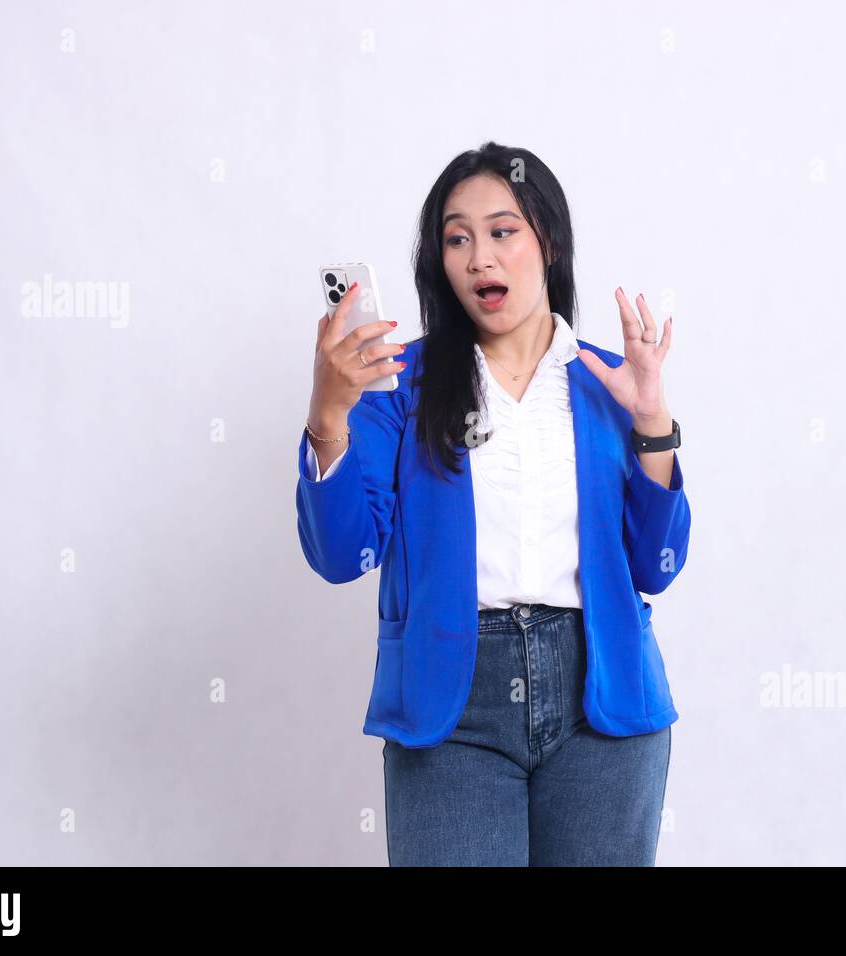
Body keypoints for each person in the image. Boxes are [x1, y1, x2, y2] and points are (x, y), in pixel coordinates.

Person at [296, 141, 691, 866]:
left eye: (502, 231)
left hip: (601, 698)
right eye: (457, 238)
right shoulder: (398, 385)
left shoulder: (609, 381)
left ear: (550, 241)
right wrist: (329, 417)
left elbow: (655, 567)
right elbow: (339, 555)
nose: (479, 257)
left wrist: (652, 429)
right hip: (452, 707)